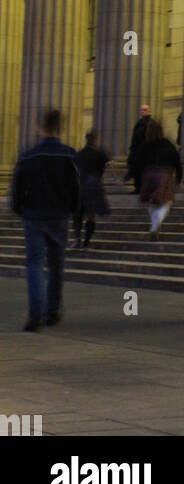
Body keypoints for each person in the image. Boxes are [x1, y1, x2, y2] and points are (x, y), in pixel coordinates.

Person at [10, 108, 80, 332]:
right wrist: (73, 208)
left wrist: (19, 208)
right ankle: (53, 310)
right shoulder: (69, 154)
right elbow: (76, 187)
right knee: (56, 264)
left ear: (40, 127)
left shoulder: (28, 155)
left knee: (34, 263)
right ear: (60, 127)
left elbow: (18, 186)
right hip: (58, 214)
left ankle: (35, 314)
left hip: (33, 214)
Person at [135, 119, 183, 239]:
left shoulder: (145, 145)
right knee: (167, 202)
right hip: (165, 174)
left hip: (148, 174)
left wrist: (133, 177)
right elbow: (176, 160)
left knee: (152, 202)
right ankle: (155, 224)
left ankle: (154, 225)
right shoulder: (167, 144)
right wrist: (179, 177)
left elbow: (137, 162)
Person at [72, 131, 111, 249]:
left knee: (78, 214)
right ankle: (87, 242)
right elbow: (110, 164)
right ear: (95, 140)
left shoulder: (79, 154)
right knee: (91, 215)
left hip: (81, 186)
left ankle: (77, 238)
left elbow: (74, 170)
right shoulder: (100, 154)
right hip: (94, 186)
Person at [124, 104, 151, 194]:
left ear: (149, 111)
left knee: (140, 171)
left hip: (143, 152)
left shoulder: (148, 123)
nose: (142, 111)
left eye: (144, 109)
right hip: (138, 151)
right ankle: (138, 187)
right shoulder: (140, 123)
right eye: (141, 110)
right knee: (137, 171)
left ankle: (140, 187)